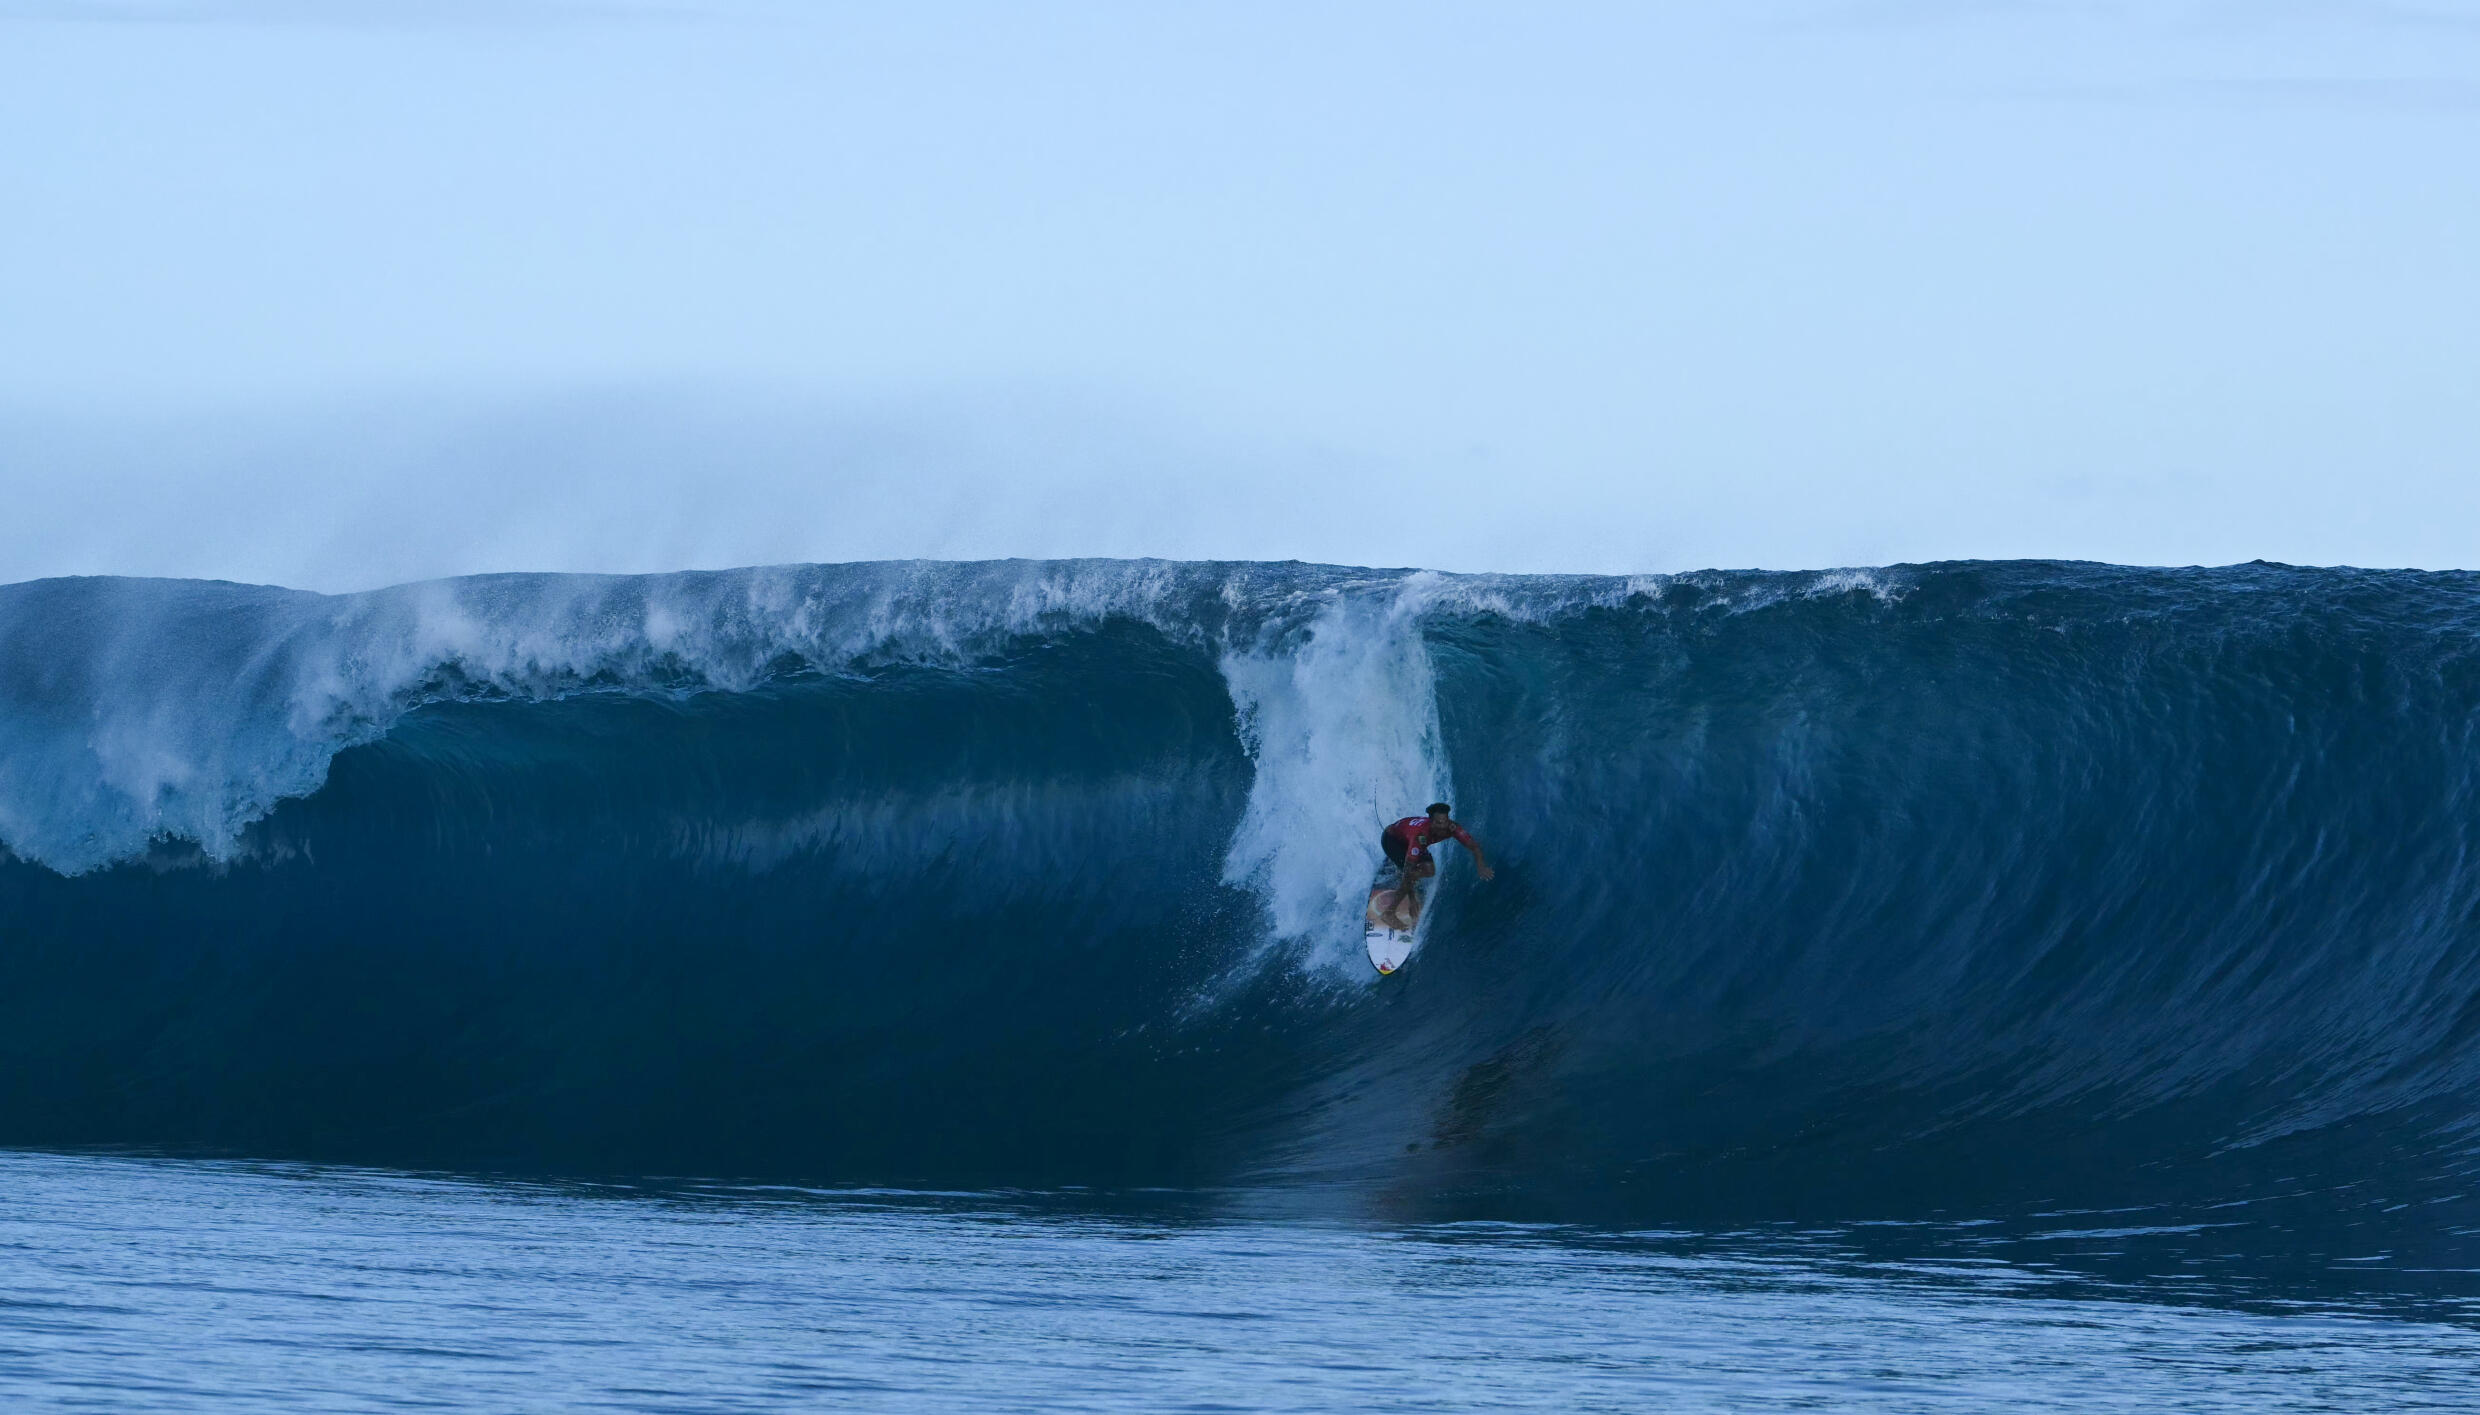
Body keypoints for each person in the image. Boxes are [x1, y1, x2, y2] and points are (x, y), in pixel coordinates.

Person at [1372, 802, 1493, 928]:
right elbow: (1408, 870)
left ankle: (1399, 871)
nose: (1443, 826)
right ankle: (1388, 913)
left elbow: (1474, 846)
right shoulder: (1421, 836)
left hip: (1407, 836)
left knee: (1430, 870)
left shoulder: (1452, 828)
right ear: (1431, 822)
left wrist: (1481, 865)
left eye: (1445, 821)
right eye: (1438, 823)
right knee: (1409, 873)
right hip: (1392, 839)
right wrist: (1412, 899)